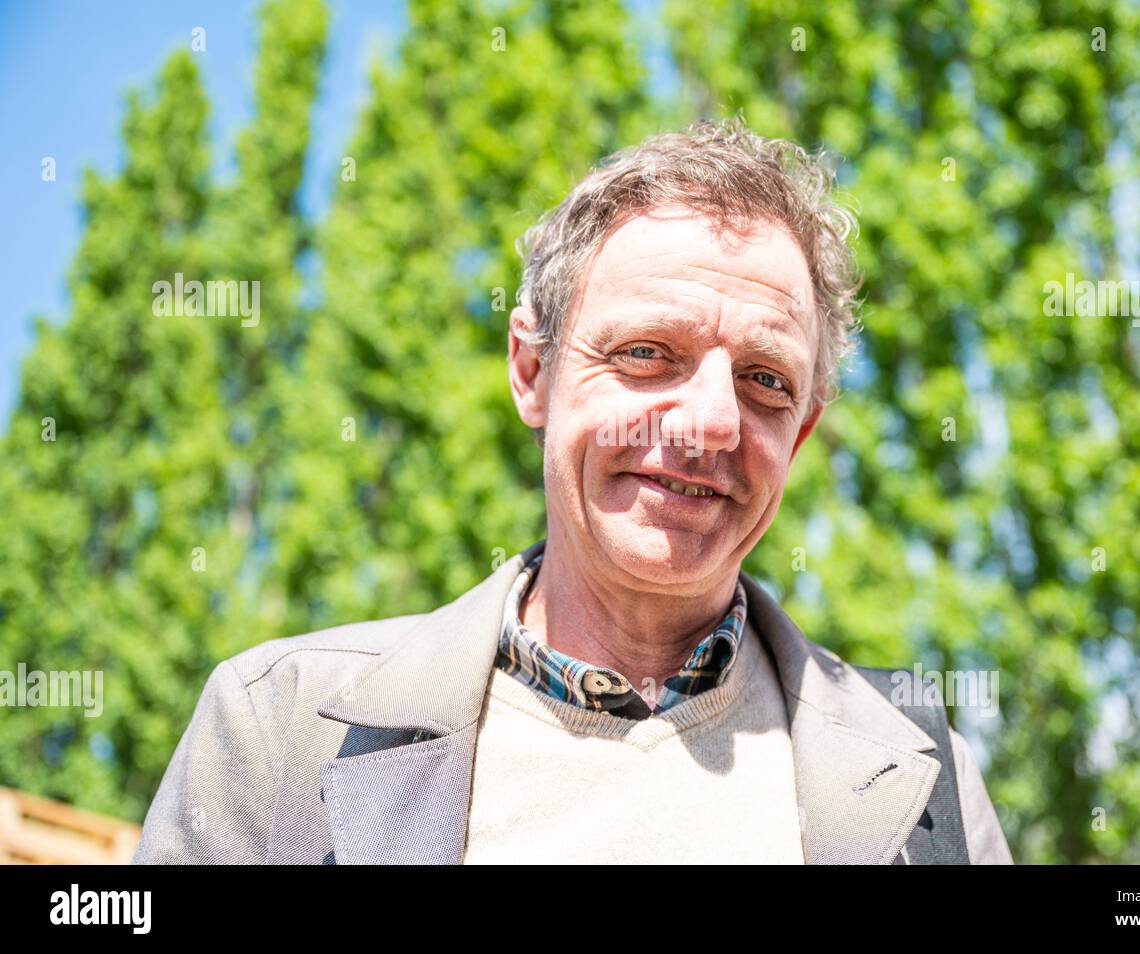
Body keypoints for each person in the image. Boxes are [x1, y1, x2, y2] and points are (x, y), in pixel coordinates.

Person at [134, 116, 1013, 864]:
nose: (711, 421)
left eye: (765, 381)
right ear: (531, 372)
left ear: (802, 435)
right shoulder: (282, 733)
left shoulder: (923, 784)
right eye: (645, 354)